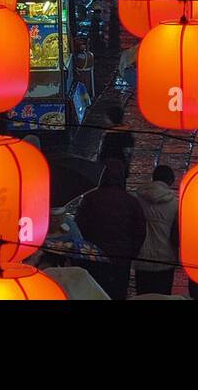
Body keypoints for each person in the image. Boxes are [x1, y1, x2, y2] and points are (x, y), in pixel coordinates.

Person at [74, 160, 147, 300]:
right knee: (117, 293)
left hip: (95, 256)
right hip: (121, 258)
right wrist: (131, 253)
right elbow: (140, 231)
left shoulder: (90, 198)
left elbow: (80, 226)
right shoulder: (131, 201)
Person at [134, 165, 180, 295]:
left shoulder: (138, 199)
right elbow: (176, 235)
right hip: (165, 259)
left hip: (142, 257)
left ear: (153, 178)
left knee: (143, 295)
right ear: (170, 181)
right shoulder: (175, 204)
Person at [98, 104, 135, 169]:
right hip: (121, 162)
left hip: (108, 164)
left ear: (109, 118)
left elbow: (102, 151)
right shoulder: (127, 131)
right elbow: (129, 150)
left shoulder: (108, 134)